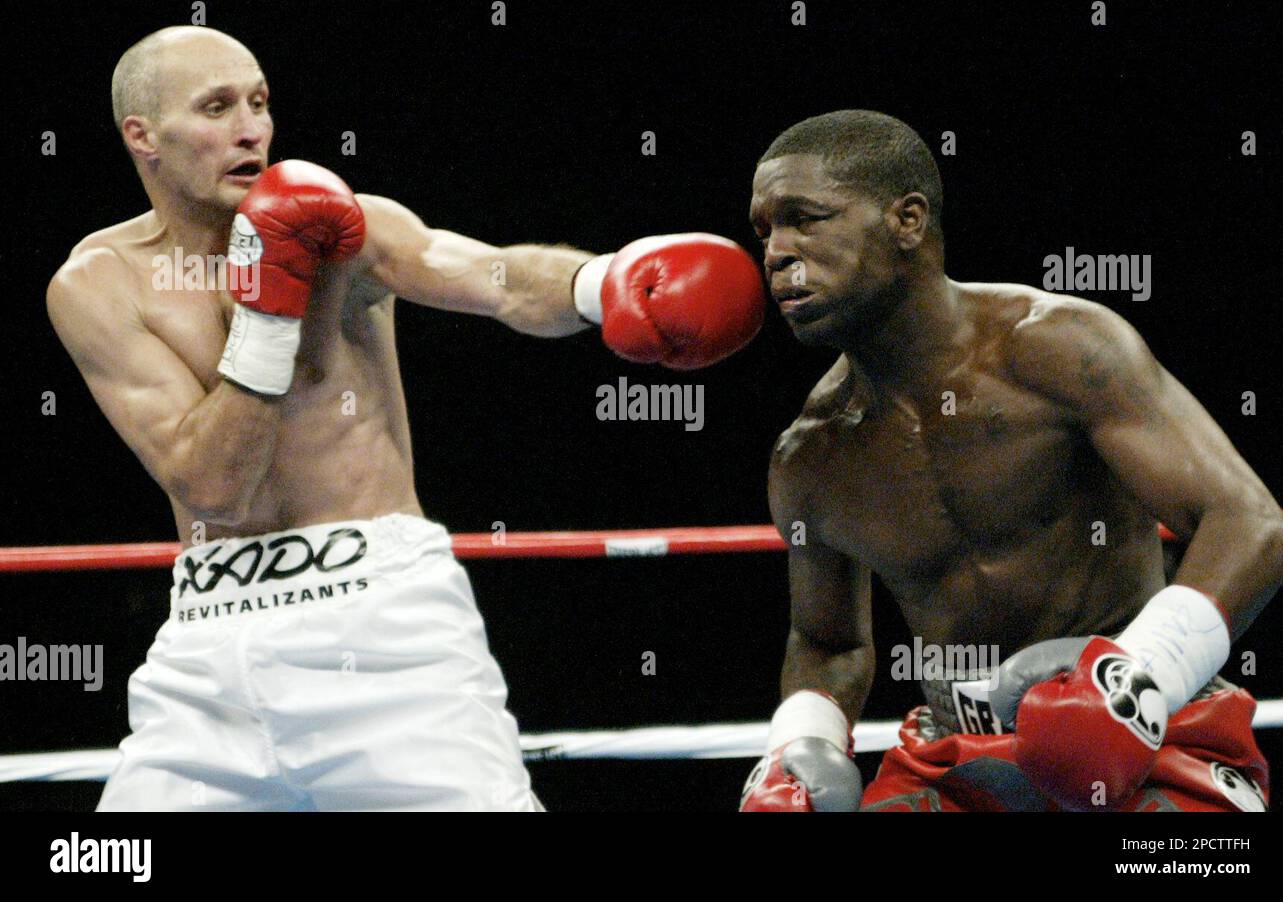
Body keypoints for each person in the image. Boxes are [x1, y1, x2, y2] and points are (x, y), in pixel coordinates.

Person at [47, 25, 764, 811]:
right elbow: (213, 485)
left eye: (259, 103)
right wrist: (269, 314)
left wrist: (605, 282)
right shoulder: (97, 285)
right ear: (141, 134)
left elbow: (493, 277)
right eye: (216, 108)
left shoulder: (345, 232)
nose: (251, 128)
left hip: (381, 625)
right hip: (210, 649)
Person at [739, 110, 1283, 812]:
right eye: (763, 230)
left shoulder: (1058, 349)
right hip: (957, 760)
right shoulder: (811, 454)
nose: (777, 253)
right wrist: (801, 748)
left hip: (1157, 738)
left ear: (907, 221)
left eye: (805, 218)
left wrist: (1137, 679)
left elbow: (1250, 526)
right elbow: (828, 643)